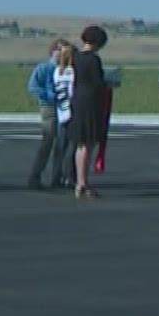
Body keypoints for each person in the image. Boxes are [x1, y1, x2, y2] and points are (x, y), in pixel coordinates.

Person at [70, 25, 110, 200]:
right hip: (91, 103)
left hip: (77, 100)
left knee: (81, 144)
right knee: (88, 143)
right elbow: (97, 83)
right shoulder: (93, 60)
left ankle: (80, 180)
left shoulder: (76, 57)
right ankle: (82, 183)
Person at [26, 38, 66, 190]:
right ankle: (35, 177)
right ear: (53, 51)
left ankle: (58, 177)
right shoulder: (44, 68)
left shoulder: (66, 70)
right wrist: (48, 95)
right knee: (47, 142)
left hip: (63, 108)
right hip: (48, 108)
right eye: (60, 50)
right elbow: (33, 86)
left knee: (62, 144)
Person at [52, 44, 77, 191]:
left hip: (61, 111)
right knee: (72, 147)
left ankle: (57, 176)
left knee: (61, 147)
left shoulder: (57, 72)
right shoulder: (73, 72)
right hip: (73, 112)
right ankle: (69, 176)